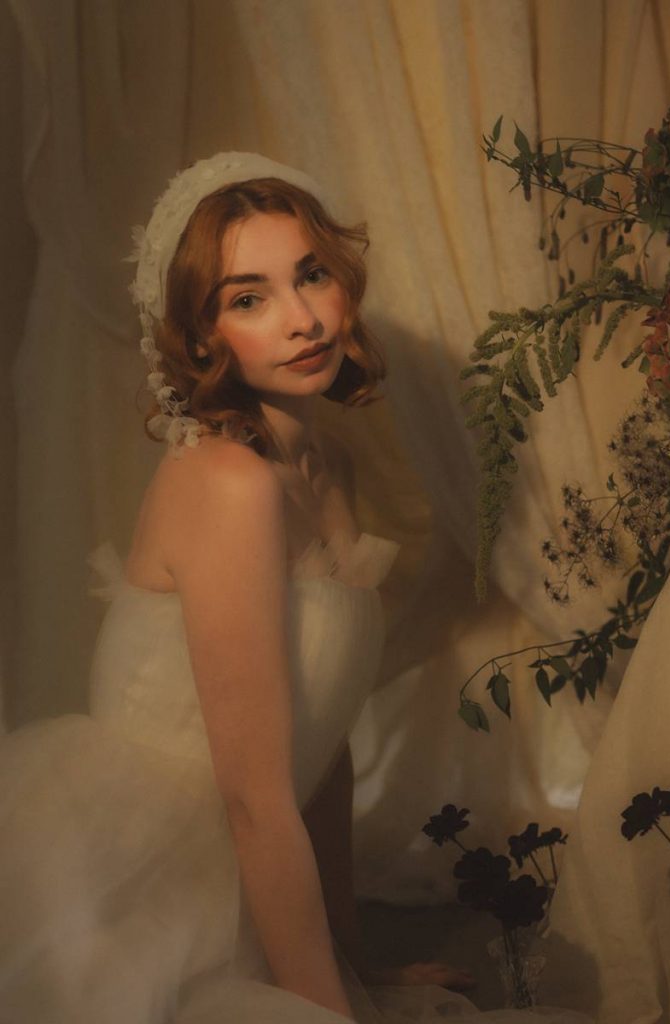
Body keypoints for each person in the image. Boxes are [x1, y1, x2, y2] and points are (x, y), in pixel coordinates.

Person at [0, 152, 589, 1024]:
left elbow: (320, 750)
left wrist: (355, 968)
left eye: (310, 274)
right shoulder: (230, 483)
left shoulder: (324, 463)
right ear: (201, 339)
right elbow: (254, 794)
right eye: (249, 298)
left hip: (244, 872)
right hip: (134, 882)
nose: (304, 318)